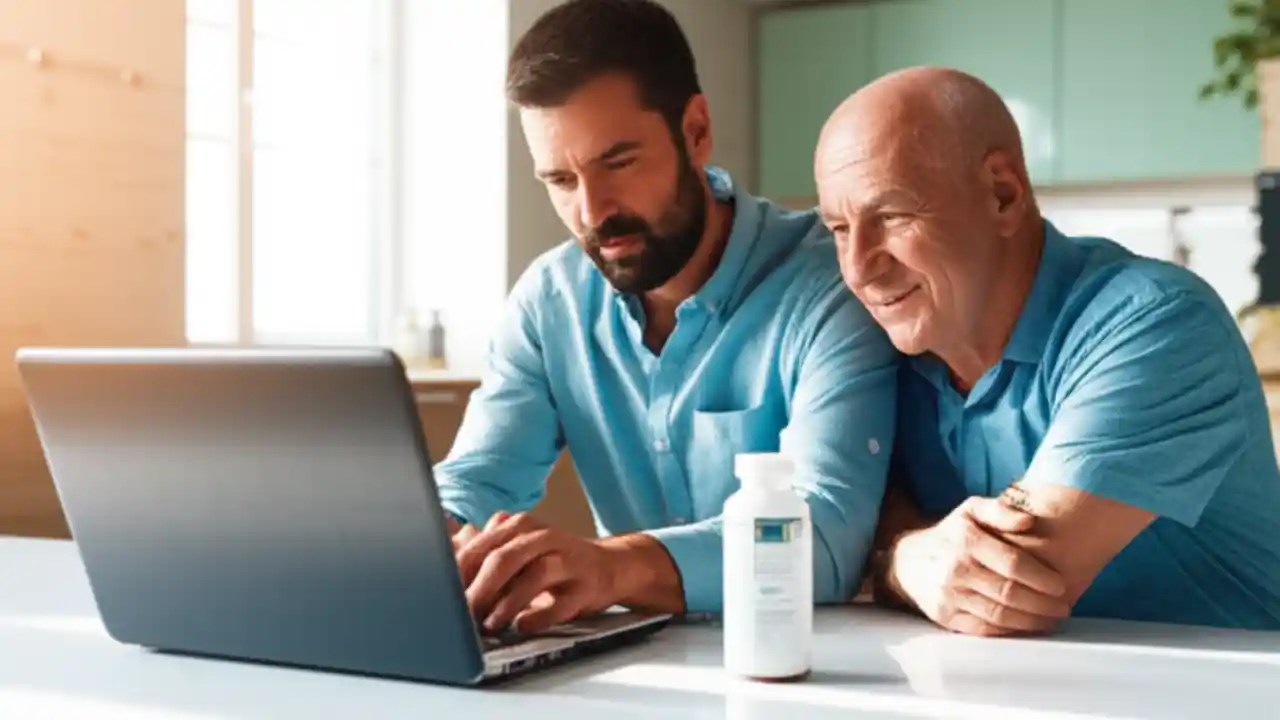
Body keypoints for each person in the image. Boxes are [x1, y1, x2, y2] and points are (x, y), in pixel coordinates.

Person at [434, 0, 898, 635]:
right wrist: (426, 541)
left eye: (618, 163)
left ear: (697, 130)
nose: (593, 212)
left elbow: (828, 537)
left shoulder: (829, 289)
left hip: (807, 665)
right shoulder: (550, 302)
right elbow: (478, 479)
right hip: (631, 666)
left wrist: (615, 567)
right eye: (561, 180)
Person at [815, 67, 1280, 634]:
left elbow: (1007, 584)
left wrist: (888, 554)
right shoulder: (895, 346)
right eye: (839, 229)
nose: (860, 269)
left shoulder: (1155, 322)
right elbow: (823, 523)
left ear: (1002, 194)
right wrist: (907, 553)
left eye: (892, 216)